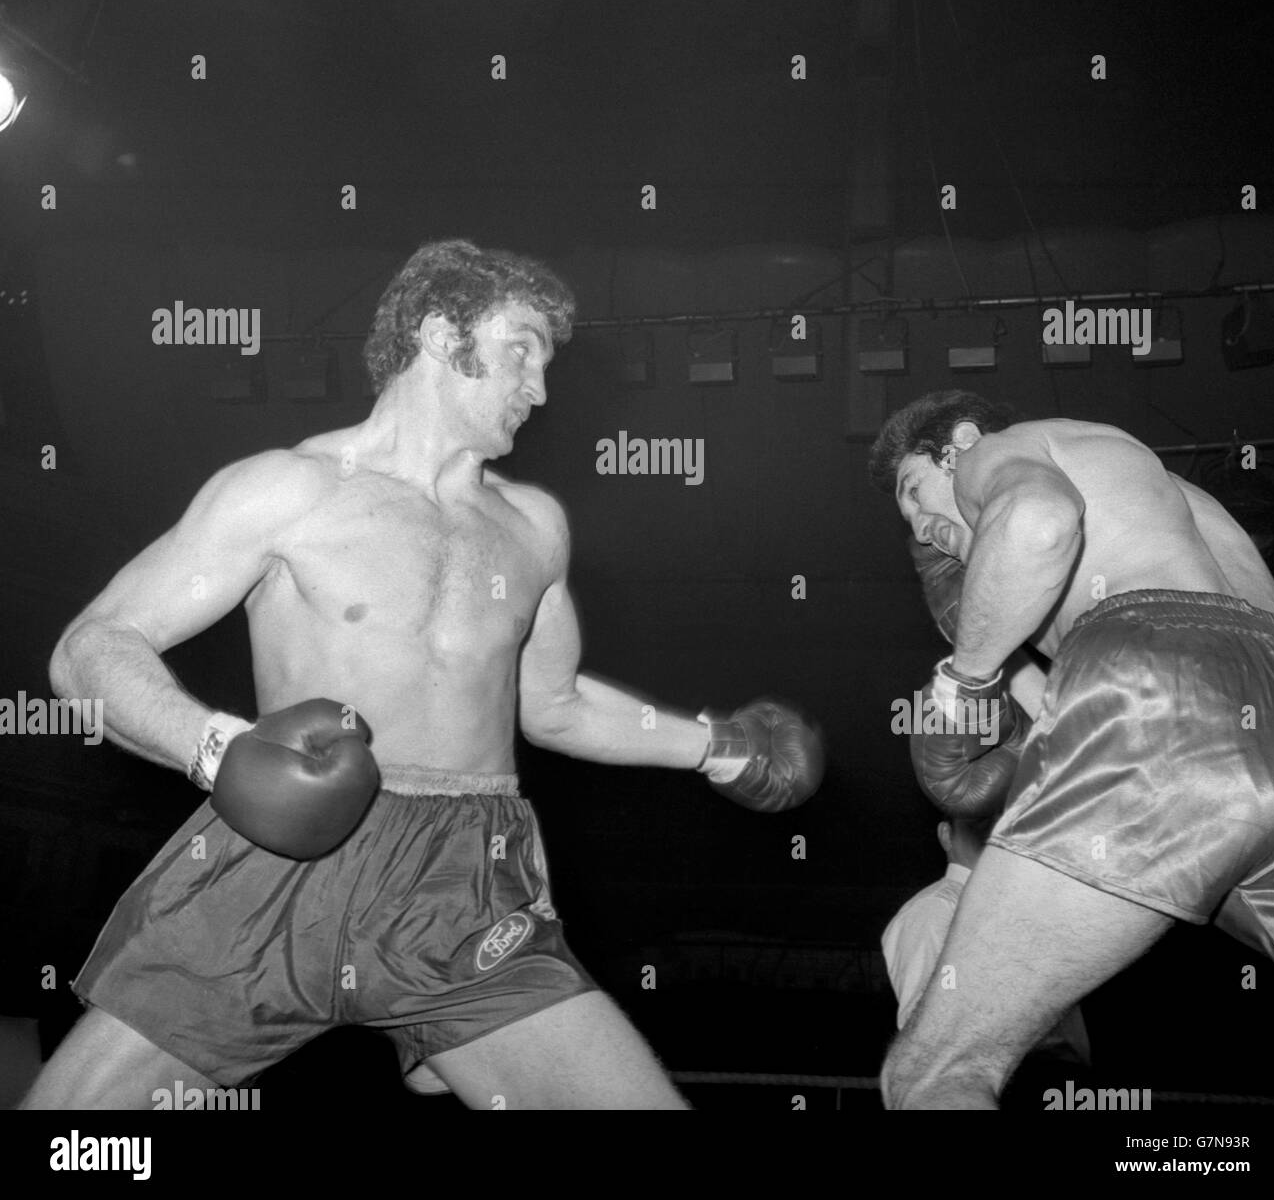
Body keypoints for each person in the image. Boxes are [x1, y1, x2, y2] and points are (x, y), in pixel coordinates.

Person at [23, 239, 823, 1111]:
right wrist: (215, 748)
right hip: (281, 844)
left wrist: (715, 746)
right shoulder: (289, 490)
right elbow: (93, 647)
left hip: (465, 876)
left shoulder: (533, 526)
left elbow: (552, 707)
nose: (540, 388)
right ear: (442, 334)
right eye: (522, 350)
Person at [869, 389, 1274, 1109]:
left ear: (962, 440)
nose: (918, 524)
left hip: (1159, 688)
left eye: (914, 490)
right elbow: (1189, 683)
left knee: (933, 1072)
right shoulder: (1169, 499)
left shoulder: (999, 452)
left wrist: (962, 682)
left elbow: (1038, 524)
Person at [881, 816, 1091, 1108]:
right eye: (973, 819)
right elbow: (928, 1031)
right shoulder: (937, 909)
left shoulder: (1023, 907)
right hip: (997, 1085)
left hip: (1053, 1084)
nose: (988, 829)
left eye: (995, 817)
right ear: (946, 835)